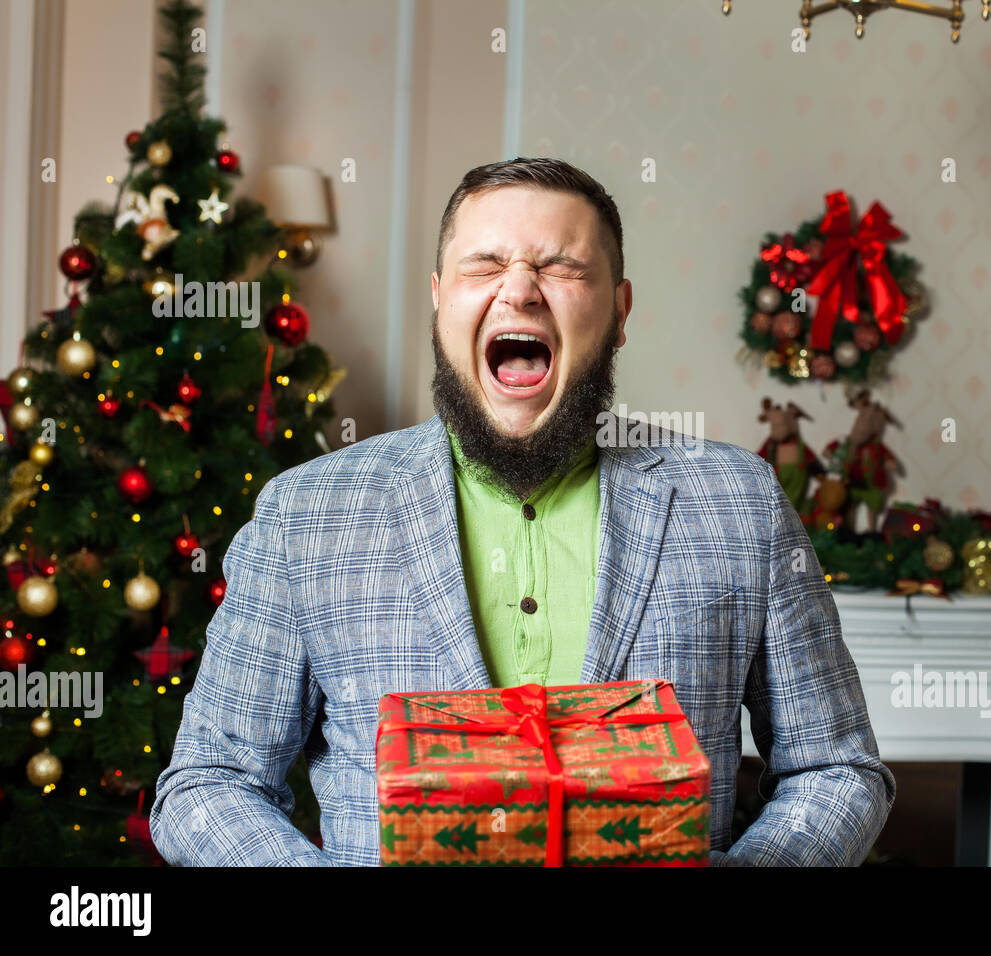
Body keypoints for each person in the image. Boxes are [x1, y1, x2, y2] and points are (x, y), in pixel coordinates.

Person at [150, 157, 896, 866]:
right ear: (441, 297)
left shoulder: (741, 503)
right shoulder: (307, 514)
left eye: (562, 267)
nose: (520, 290)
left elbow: (836, 769)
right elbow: (209, 784)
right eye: (484, 265)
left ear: (620, 309)